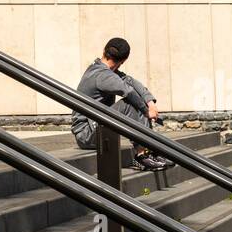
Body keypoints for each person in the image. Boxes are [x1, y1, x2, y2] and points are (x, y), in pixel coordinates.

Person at [72, 37, 169, 171]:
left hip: (96, 128)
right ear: (122, 61)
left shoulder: (102, 69)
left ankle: (148, 150)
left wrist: (150, 103)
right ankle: (141, 155)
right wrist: (146, 111)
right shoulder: (102, 75)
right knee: (129, 104)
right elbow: (128, 92)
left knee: (137, 100)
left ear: (104, 51)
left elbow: (131, 82)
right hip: (87, 135)